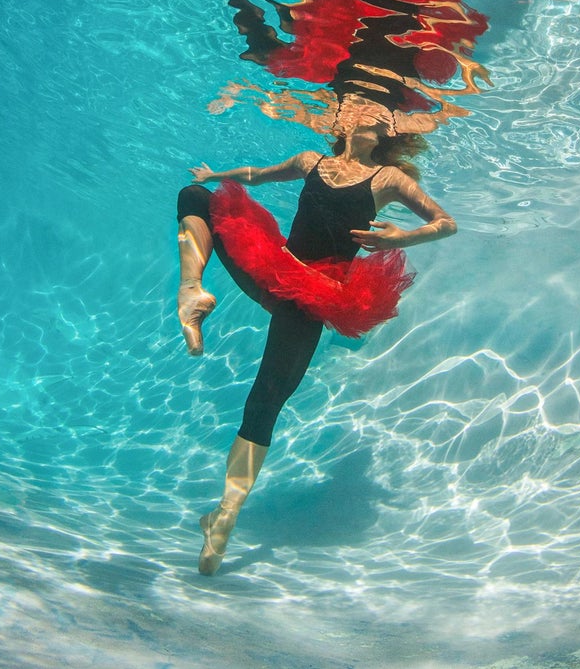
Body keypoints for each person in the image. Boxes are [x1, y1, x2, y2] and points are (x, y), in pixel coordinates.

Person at [175, 94, 456, 575]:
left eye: (379, 114)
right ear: (344, 123)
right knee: (193, 198)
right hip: (273, 266)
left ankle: (224, 519)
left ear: (388, 132)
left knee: (266, 401)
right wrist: (214, 176)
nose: (367, 113)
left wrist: (398, 238)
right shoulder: (312, 161)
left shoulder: (389, 179)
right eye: (359, 108)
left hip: (315, 296)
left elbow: (446, 224)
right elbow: (257, 176)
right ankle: (192, 290)